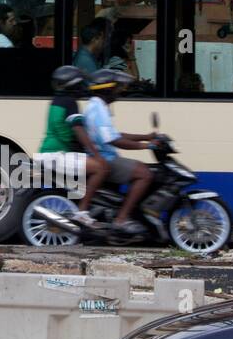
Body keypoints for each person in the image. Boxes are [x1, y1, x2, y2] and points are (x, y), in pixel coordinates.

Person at [82, 69, 160, 236]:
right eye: (116, 88)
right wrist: (147, 146)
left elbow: (115, 135)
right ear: (106, 90)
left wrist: (145, 137)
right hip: (105, 159)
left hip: (107, 156)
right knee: (144, 173)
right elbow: (114, 141)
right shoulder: (98, 109)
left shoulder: (98, 105)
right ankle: (122, 219)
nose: (120, 91)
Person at [34, 65, 106, 226]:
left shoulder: (56, 101)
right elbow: (78, 129)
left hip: (49, 153)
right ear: (73, 85)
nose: (83, 87)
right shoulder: (70, 102)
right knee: (101, 168)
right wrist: (96, 154)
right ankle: (82, 211)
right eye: (80, 84)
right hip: (57, 154)